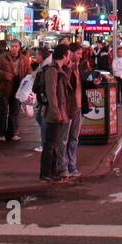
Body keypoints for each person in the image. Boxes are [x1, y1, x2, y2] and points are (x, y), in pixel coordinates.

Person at [38, 44, 72, 182]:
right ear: (63, 56)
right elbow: (51, 94)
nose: (69, 58)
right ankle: (46, 174)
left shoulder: (59, 70)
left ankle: (52, 173)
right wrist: (56, 112)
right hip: (54, 114)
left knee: (55, 143)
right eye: (68, 55)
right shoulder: (52, 70)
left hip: (59, 112)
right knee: (50, 144)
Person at [0, 38, 31, 144]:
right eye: (12, 46)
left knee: (14, 111)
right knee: (3, 111)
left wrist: (28, 77)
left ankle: (13, 133)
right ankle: (2, 133)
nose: (14, 48)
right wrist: (6, 75)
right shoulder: (3, 57)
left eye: (16, 46)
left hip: (18, 87)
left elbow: (28, 70)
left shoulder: (24, 59)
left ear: (19, 47)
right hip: (5, 87)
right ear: (9, 47)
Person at [62, 44, 84, 179]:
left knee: (74, 139)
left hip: (78, 106)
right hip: (69, 107)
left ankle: (72, 166)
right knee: (65, 139)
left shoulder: (79, 67)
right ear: (71, 53)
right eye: (79, 53)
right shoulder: (66, 68)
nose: (81, 56)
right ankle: (64, 167)